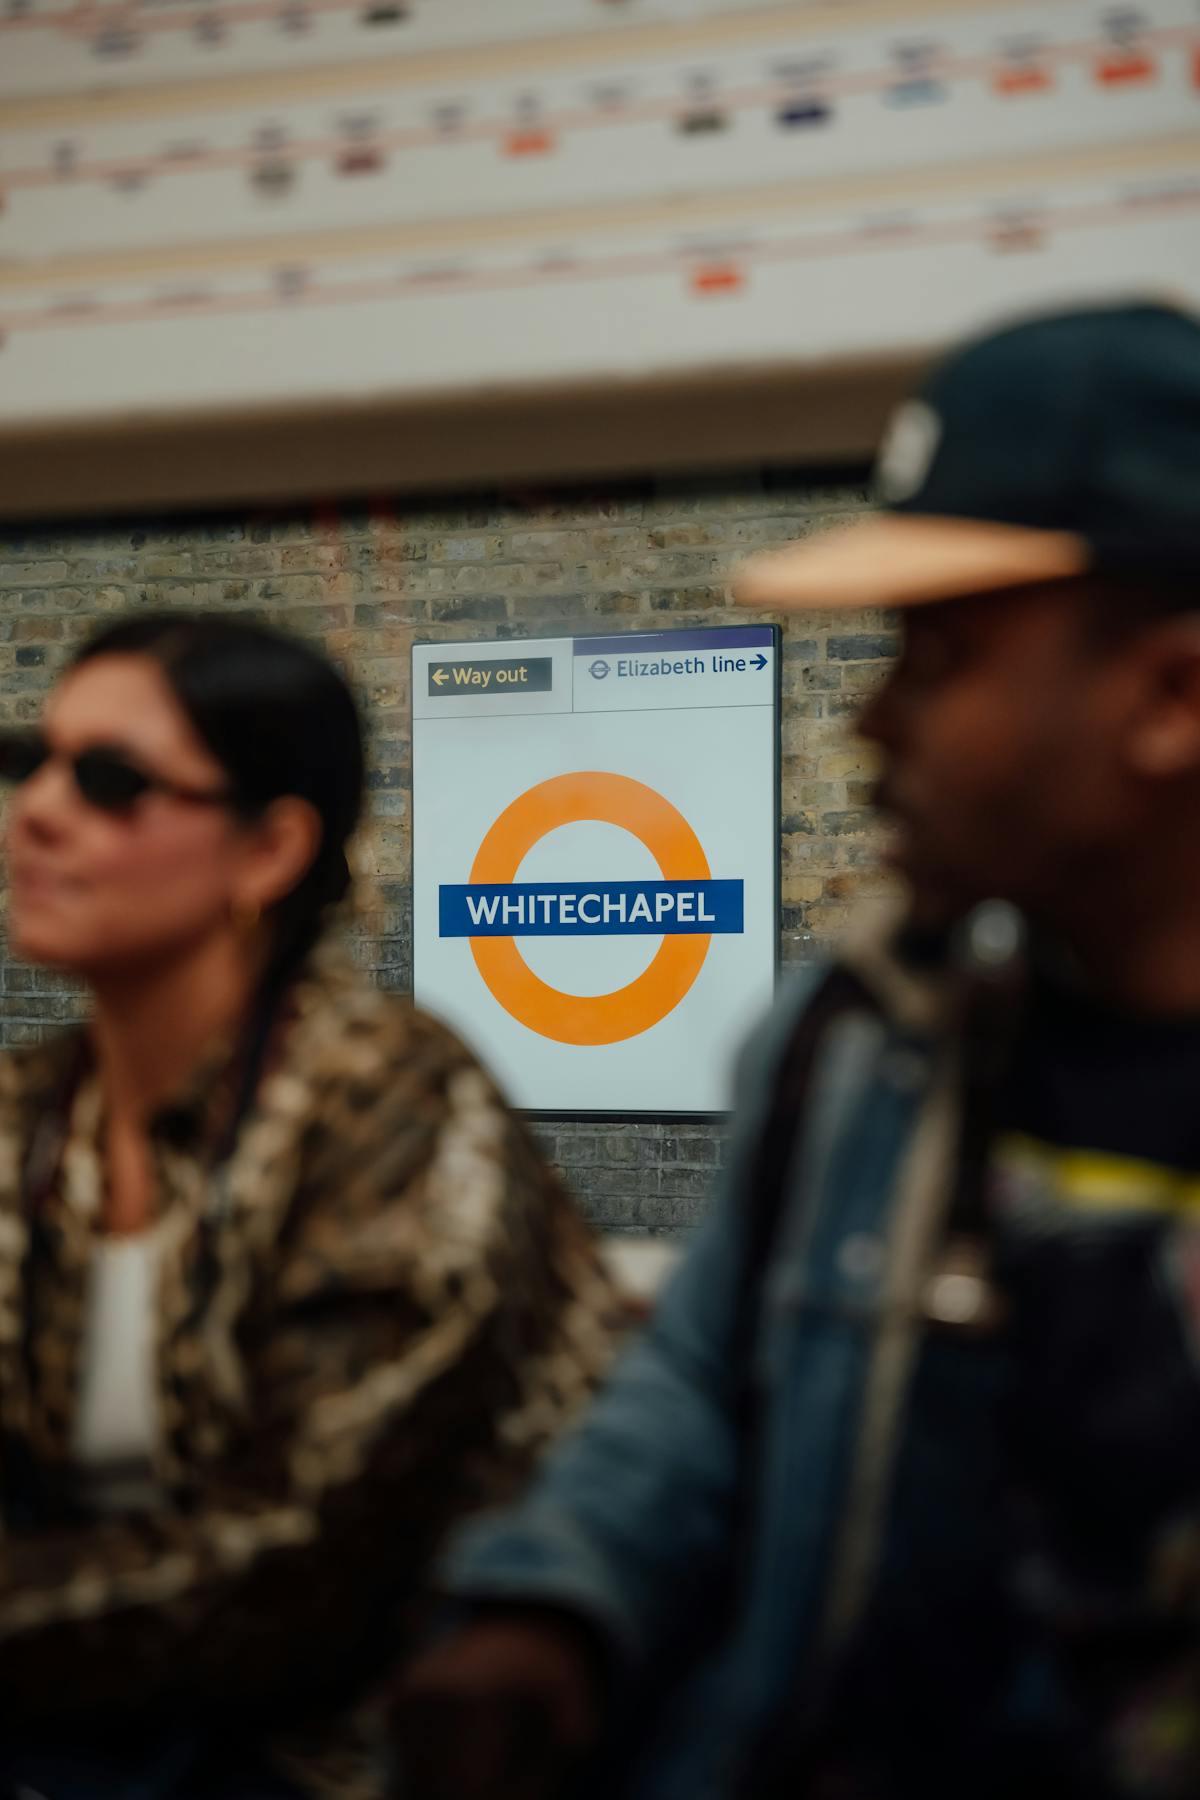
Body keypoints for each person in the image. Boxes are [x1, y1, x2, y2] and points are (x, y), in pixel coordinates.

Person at [396, 300, 1200, 1800]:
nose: (872, 719)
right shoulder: (863, 1039)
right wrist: (553, 1605)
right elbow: (708, 1368)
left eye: (940, 659)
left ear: (1171, 696)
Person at [0, 612, 616, 1799]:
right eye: (33, 760)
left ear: (269, 851)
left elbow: (298, 1569)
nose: (37, 811)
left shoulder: (387, 1099)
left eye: (112, 780)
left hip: (380, 1755)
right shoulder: (34, 1111)